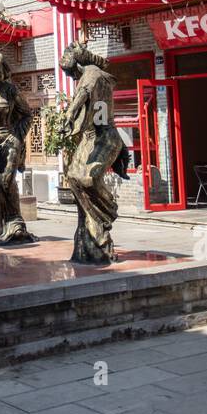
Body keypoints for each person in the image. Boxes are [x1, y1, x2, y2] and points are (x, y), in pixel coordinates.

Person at [60, 41, 130, 264]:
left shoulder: (93, 74)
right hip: (89, 138)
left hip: (104, 137)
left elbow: (84, 93)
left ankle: (107, 209)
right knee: (72, 177)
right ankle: (89, 240)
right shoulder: (88, 75)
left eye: (70, 72)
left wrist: (69, 116)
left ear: (77, 65)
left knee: (87, 179)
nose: (71, 77)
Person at [0, 51, 36, 245]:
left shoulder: (11, 90)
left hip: (9, 141)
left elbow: (27, 115)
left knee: (6, 181)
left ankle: (14, 222)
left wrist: (17, 136)